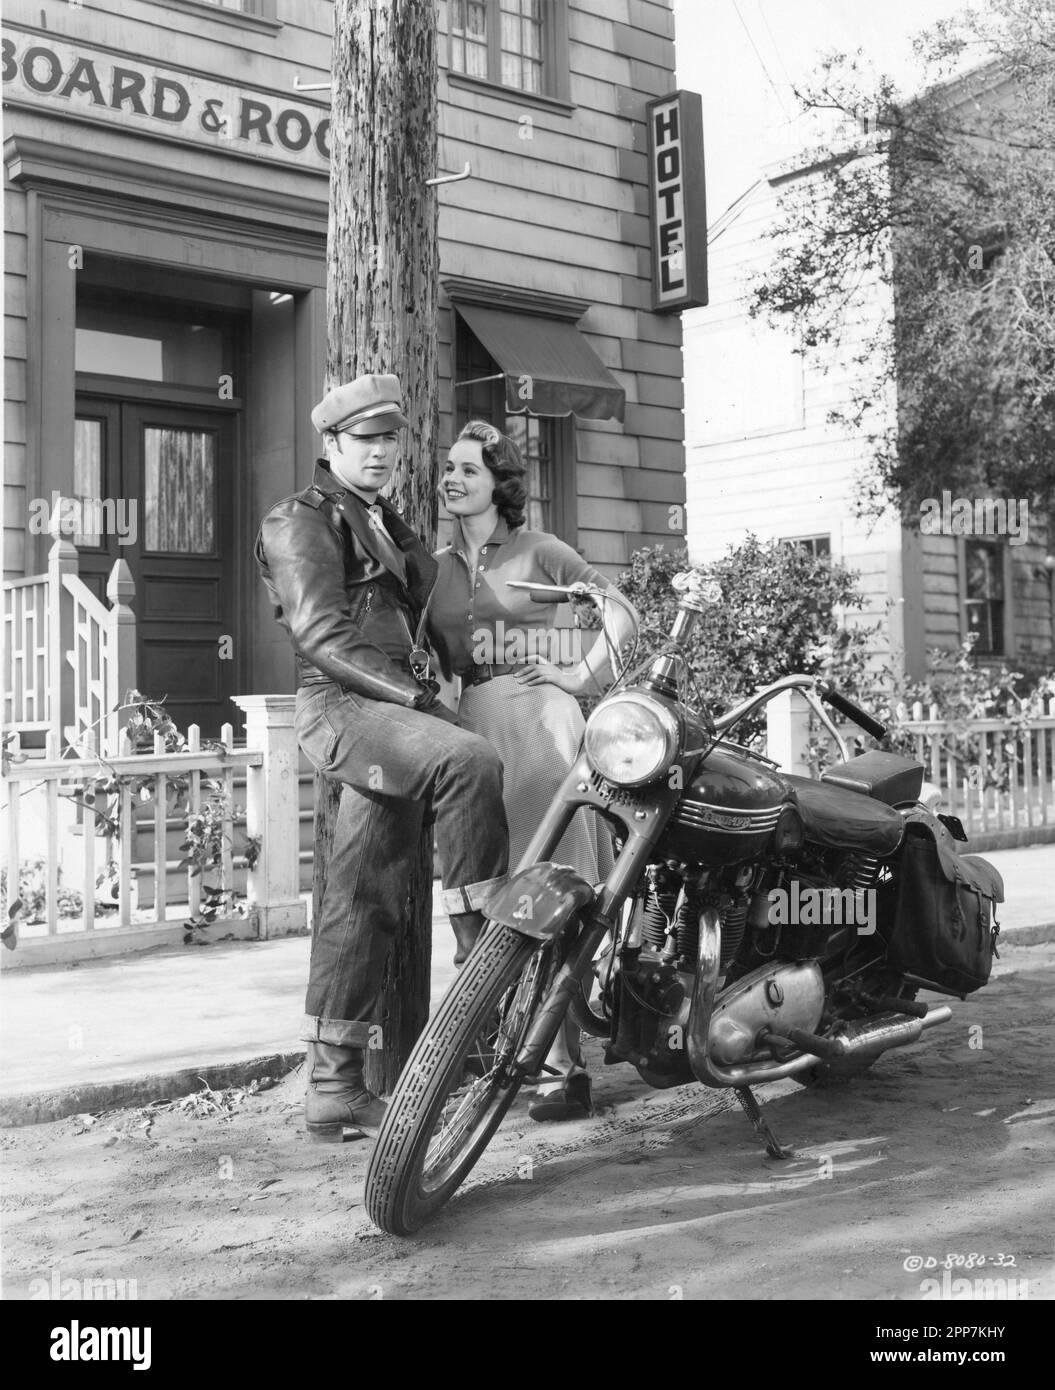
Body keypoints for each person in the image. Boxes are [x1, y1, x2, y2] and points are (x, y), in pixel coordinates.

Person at [256, 377, 509, 1143]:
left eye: (391, 441)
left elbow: (435, 623)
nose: (382, 453)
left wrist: (494, 674)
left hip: (390, 716)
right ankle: (486, 967)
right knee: (469, 761)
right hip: (346, 710)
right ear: (332, 447)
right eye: (366, 441)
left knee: (361, 889)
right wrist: (423, 702)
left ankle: (333, 1088)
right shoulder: (298, 519)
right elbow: (322, 639)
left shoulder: (387, 523)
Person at [429, 420, 638, 1121]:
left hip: (541, 722)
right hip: (474, 731)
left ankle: (563, 1069)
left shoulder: (539, 550)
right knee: (493, 897)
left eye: (467, 470)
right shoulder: (436, 566)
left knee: (553, 890)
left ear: (499, 483)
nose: (452, 479)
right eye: (448, 470)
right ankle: (511, 1050)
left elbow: (619, 611)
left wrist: (580, 676)